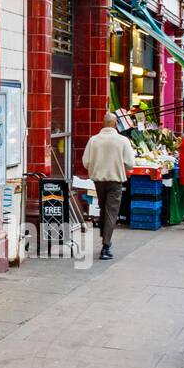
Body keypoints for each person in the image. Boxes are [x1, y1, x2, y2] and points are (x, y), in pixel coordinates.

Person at [82, 111, 136, 261]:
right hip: (115, 180)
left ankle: (105, 237)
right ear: (114, 124)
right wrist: (120, 166)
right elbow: (131, 163)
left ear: (103, 123)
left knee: (104, 207)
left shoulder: (94, 140)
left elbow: (85, 162)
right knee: (111, 211)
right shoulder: (123, 140)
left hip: (99, 180)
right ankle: (106, 246)